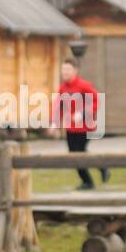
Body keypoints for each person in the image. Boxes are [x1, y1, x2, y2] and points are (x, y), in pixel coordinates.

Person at [52, 58, 103, 189]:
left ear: (75, 71)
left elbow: (96, 101)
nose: (64, 72)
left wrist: (83, 113)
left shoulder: (83, 85)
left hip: (84, 127)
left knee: (79, 153)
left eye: (67, 69)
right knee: (74, 155)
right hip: (70, 128)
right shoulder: (63, 88)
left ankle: (88, 181)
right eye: (63, 69)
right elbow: (59, 107)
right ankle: (100, 169)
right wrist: (55, 124)